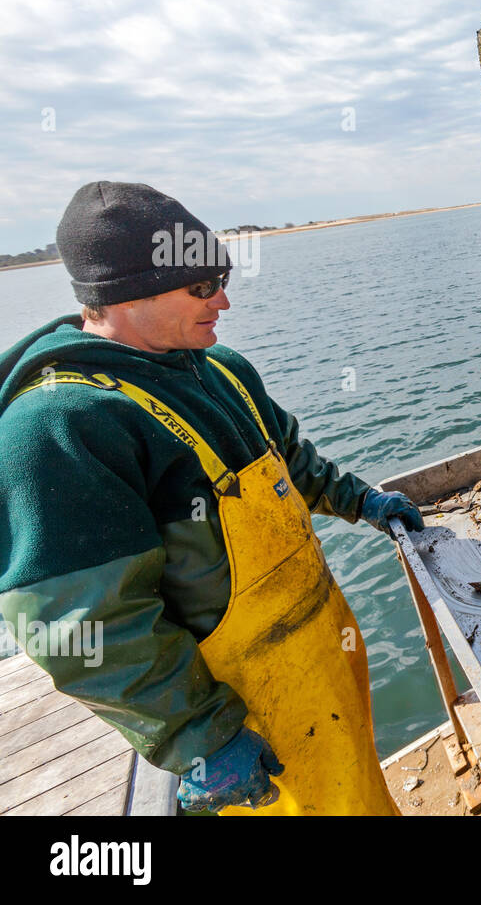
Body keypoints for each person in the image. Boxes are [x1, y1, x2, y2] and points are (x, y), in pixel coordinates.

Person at [0, 182, 425, 815]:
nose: (223, 300)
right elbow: (81, 625)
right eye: (202, 287)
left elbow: (291, 463)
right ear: (124, 294)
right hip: (242, 721)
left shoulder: (220, 367)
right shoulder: (60, 425)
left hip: (322, 666)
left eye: (221, 278)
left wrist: (362, 501)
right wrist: (200, 736)